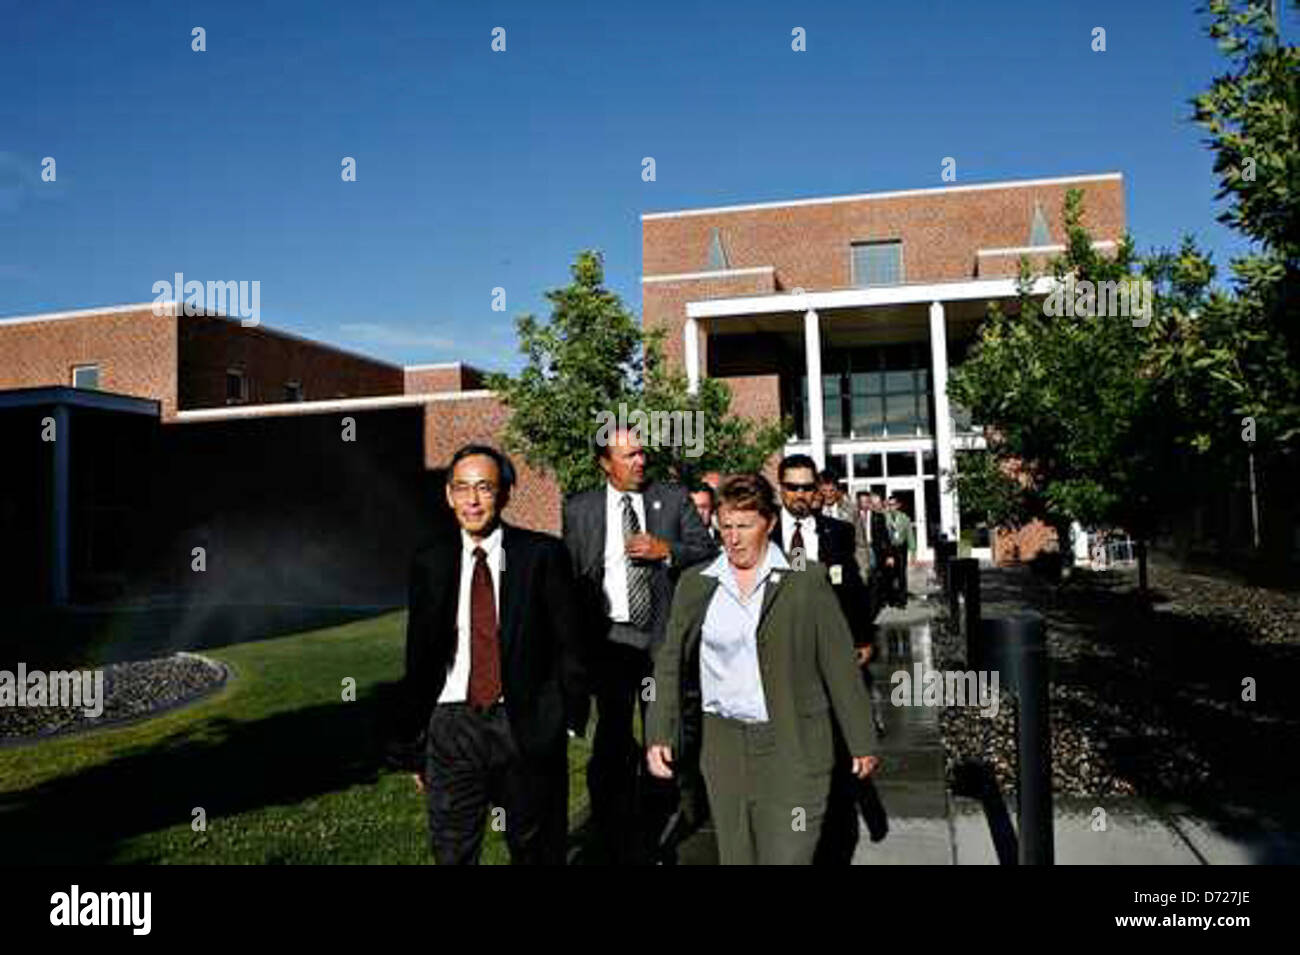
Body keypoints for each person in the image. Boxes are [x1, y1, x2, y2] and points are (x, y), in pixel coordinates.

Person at [645, 473, 878, 865]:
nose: (733, 538)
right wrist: (659, 732)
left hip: (792, 741)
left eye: (745, 526)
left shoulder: (806, 581)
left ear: (769, 523)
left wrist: (861, 739)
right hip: (722, 745)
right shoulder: (696, 584)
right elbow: (669, 663)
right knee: (738, 856)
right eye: (726, 526)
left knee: (789, 852)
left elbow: (839, 664)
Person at [396, 444, 588, 865]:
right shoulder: (430, 561)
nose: (472, 500)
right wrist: (414, 741)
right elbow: (419, 656)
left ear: (503, 494)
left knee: (536, 848)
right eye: (462, 488)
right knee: (452, 851)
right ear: (448, 495)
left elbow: (570, 646)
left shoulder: (541, 555)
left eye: (484, 488)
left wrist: (565, 721)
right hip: (452, 726)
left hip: (523, 723)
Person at [563, 426, 717, 863]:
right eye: (628, 456)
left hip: (661, 638)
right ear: (604, 464)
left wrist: (666, 549)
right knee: (611, 734)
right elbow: (572, 575)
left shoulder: (671, 499)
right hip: (609, 641)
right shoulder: (580, 509)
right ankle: (611, 826)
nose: (639, 462)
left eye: (641, 454)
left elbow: (706, 552)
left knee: (664, 732)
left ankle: (668, 811)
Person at [819, 469, 871, 580]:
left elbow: (860, 544)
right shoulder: (812, 512)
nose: (828, 495)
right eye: (824, 491)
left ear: (838, 490)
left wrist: (863, 573)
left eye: (832, 490)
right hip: (819, 571)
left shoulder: (851, 511)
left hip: (846, 570)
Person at [885, 496, 916, 608]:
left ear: (898, 505)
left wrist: (913, 553)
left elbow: (910, 536)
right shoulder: (885, 517)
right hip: (890, 549)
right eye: (889, 505)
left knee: (901, 574)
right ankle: (892, 598)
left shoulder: (905, 518)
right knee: (891, 575)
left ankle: (902, 600)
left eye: (893, 505)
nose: (891, 507)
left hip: (901, 549)